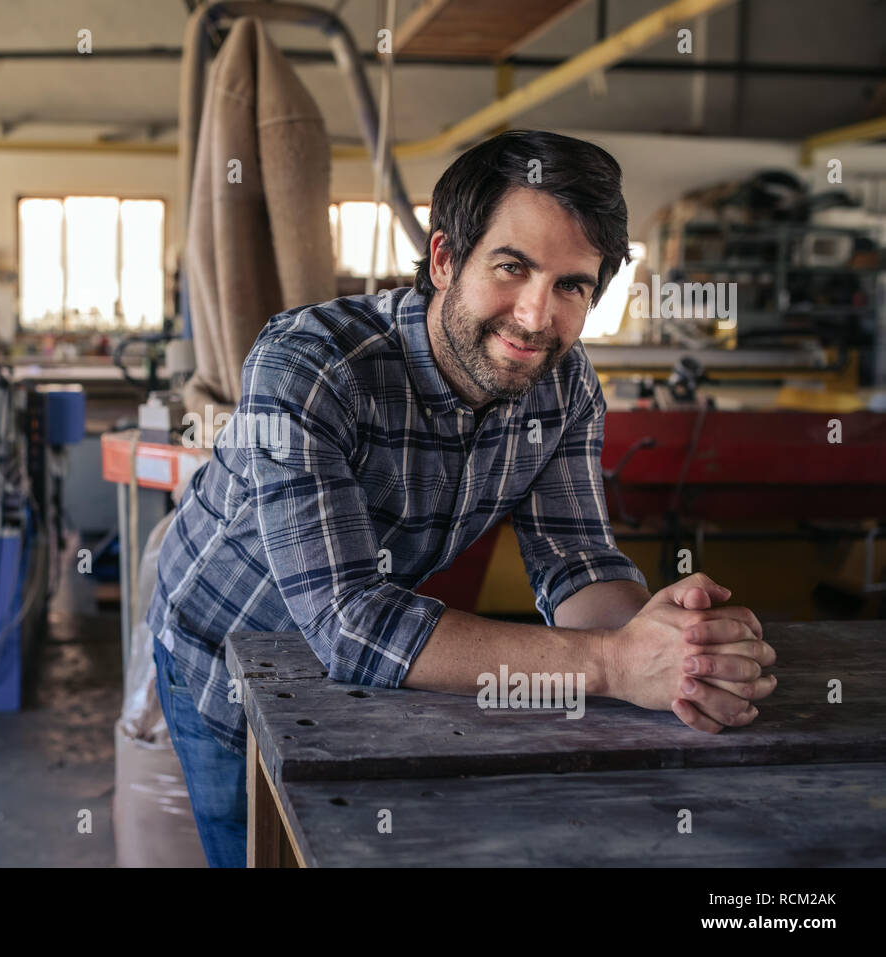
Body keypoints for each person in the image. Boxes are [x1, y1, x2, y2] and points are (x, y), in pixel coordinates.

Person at [146, 130, 776, 868]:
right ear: (445, 259)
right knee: (259, 846)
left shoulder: (564, 386)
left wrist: (671, 647)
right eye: (512, 267)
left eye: (572, 284)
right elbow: (350, 622)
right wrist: (610, 665)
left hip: (357, 666)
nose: (537, 316)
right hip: (223, 644)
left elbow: (576, 564)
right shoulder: (309, 364)